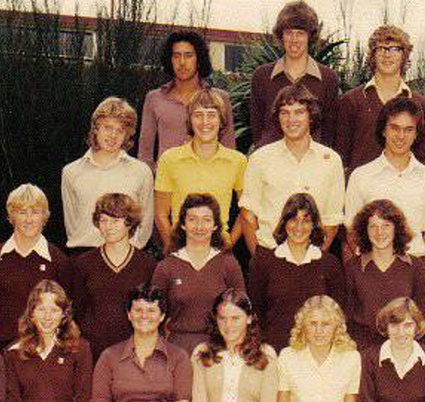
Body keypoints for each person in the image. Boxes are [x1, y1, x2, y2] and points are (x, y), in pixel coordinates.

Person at [240, 83, 345, 255]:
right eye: (285, 113)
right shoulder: (260, 158)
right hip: (269, 254)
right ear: (278, 117)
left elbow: (332, 221)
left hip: (313, 259)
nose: (291, 120)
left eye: (299, 112)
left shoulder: (331, 161)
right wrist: (259, 261)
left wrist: (314, 258)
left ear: (311, 115)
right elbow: (248, 216)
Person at [342, 97, 425, 260]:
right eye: (394, 128)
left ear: (416, 134)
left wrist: (410, 267)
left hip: (412, 270)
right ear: (383, 130)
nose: (401, 136)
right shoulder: (361, 176)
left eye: (408, 129)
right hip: (371, 271)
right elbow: (352, 231)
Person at [0, 184, 75, 350]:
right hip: (1, 350)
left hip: (44, 352)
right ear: (12, 216)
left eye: (35, 212)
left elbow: (67, 311)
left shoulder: (59, 261)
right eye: (22, 212)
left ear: (45, 216)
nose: (29, 219)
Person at [247, 193, 345, 349]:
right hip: (274, 352)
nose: (299, 227)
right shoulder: (263, 262)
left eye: (306, 221)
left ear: (314, 225)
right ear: (284, 223)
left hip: (315, 353)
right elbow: (255, 313)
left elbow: (338, 316)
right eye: (293, 220)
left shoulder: (329, 264)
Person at [151, 193, 247, 353]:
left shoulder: (228, 264)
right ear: (182, 224)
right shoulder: (166, 267)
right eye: (192, 219)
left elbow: (242, 311)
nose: (199, 226)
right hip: (178, 349)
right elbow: (154, 315)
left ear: (216, 225)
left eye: (206, 220)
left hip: (220, 348)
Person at [154, 89, 247, 252]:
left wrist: (229, 244)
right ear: (190, 120)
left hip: (218, 249)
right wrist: (174, 250)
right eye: (198, 115)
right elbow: (161, 213)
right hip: (181, 246)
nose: (205, 122)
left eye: (211, 115)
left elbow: (247, 210)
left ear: (221, 120)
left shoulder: (238, 161)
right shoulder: (170, 159)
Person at [61, 97, 154, 256]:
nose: (113, 135)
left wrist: (133, 251)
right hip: (83, 255)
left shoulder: (141, 171)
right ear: (96, 128)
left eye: (120, 130)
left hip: (127, 256)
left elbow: (145, 222)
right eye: (108, 127)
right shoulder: (71, 172)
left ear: (127, 135)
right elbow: (72, 222)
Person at [335, 25, 425, 173]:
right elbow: (340, 158)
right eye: (381, 48)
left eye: (395, 49)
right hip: (362, 191)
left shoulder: (420, 104)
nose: (387, 54)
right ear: (372, 56)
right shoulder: (351, 100)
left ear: (404, 56)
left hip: (404, 190)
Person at [70, 193, 158, 360]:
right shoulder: (83, 263)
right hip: (94, 351)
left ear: (129, 223)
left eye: (115, 220)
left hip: (134, 350)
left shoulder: (148, 264)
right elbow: (76, 310)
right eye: (103, 220)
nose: (108, 226)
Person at [138, 30, 237, 170]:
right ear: (169, 59)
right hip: (167, 184)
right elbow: (145, 154)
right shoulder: (154, 99)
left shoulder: (220, 99)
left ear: (199, 59)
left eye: (189, 55)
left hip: (209, 181)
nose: (182, 62)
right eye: (176, 56)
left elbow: (230, 151)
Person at [249, 1, 340, 149]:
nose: (294, 40)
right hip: (272, 161)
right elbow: (257, 128)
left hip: (311, 163)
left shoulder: (328, 78)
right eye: (289, 33)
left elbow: (329, 130)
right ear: (281, 35)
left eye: (300, 33)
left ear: (310, 37)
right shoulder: (262, 76)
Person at [344, 200, 425, 351]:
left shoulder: (416, 267)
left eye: (386, 226)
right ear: (365, 230)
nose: (379, 232)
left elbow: (422, 319)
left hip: (404, 351)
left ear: (396, 229)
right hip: (364, 353)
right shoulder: (353, 268)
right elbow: (347, 318)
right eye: (373, 226)